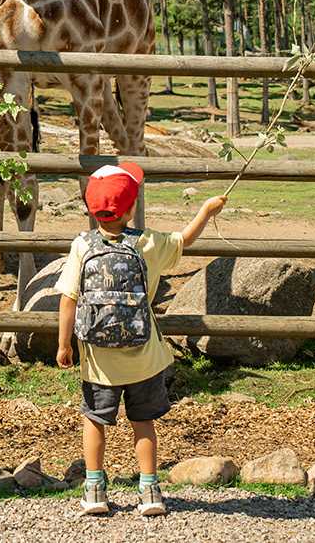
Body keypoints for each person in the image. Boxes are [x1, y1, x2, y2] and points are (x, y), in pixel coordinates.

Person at [56, 162, 226, 517]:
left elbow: (68, 298)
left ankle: (95, 489)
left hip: (98, 361)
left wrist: (63, 344)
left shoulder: (82, 246)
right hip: (144, 355)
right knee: (143, 423)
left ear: (90, 207)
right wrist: (206, 211)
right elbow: (185, 239)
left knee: (94, 420)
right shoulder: (148, 242)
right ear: (132, 207)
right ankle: (149, 491)